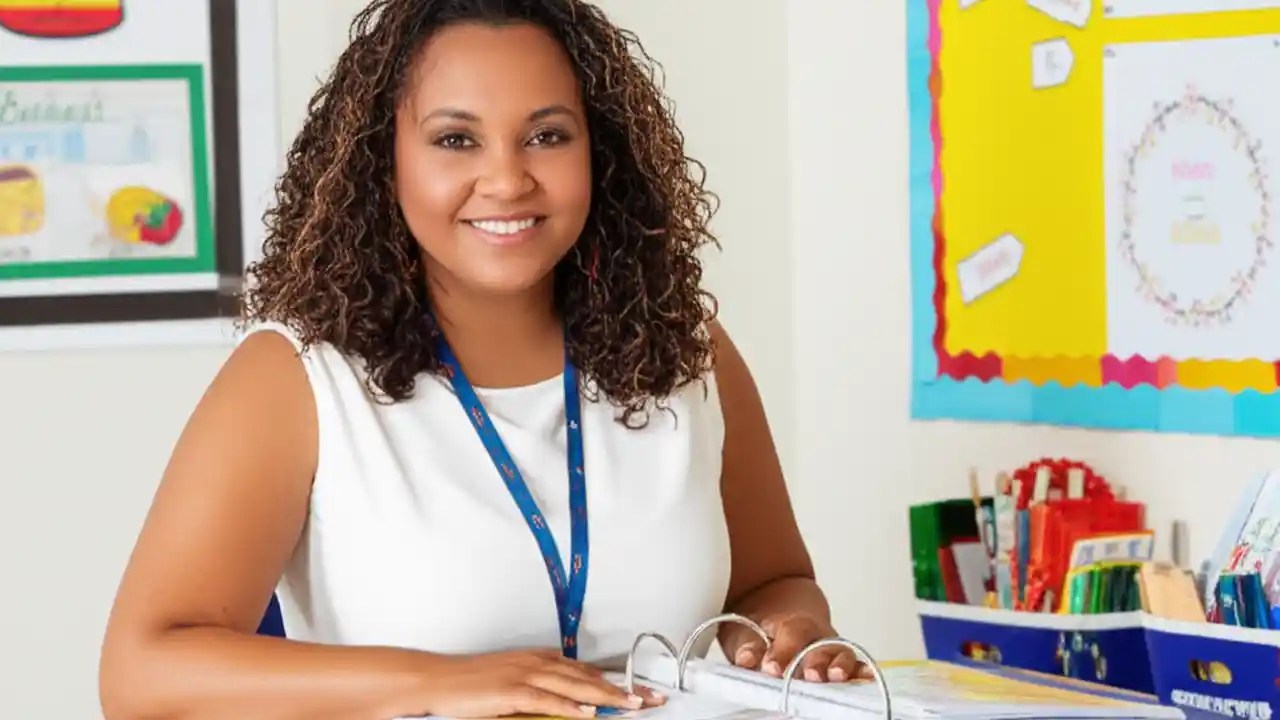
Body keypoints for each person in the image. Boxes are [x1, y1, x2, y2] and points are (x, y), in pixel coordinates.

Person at [98, 0, 864, 717]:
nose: (506, 179)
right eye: (455, 139)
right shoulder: (295, 378)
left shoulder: (685, 351)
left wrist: (784, 634)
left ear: (601, 150)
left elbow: (776, 581)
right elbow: (141, 673)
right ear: (383, 158)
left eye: (548, 135)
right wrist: (446, 683)